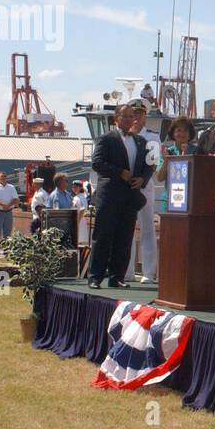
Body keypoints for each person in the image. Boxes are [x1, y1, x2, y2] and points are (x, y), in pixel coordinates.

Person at [88, 104, 151, 290]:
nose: (129, 120)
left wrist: (143, 179)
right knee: (103, 236)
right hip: (109, 195)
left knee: (125, 238)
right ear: (116, 118)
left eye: (132, 116)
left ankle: (117, 277)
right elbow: (97, 163)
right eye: (125, 116)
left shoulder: (141, 141)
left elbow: (149, 166)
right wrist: (119, 172)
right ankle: (95, 277)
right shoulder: (106, 139)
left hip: (130, 196)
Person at [128, 102, 159, 283]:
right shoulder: (124, 136)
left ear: (145, 115)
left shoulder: (152, 136)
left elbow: (153, 161)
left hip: (145, 186)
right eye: (133, 113)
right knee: (127, 229)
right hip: (125, 187)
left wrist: (142, 180)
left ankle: (148, 272)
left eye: (140, 113)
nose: (136, 116)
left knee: (147, 228)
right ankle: (127, 270)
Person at [154, 117, 198, 213]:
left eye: (185, 130)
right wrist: (166, 160)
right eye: (178, 130)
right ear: (173, 134)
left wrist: (185, 154)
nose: (182, 134)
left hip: (190, 201)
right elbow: (160, 178)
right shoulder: (167, 151)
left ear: (190, 134)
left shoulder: (197, 151)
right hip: (169, 201)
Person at [0, 172, 19, 254]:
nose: (3, 178)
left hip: (9, 212)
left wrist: (8, 205)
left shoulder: (11, 187)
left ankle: (6, 250)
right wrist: (3, 205)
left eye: (4, 176)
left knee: (7, 231)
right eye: (1, 176)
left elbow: (15, 199)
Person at [72, 181, 90, 248]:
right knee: (80, 244)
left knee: (77, 243)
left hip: (78, 220)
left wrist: (77, 223)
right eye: (73, 187)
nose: (74, 188)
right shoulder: (83, 197)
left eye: (76, 187)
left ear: (80, 188)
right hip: (81, 220)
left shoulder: (78, 198)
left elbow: (82, 210)